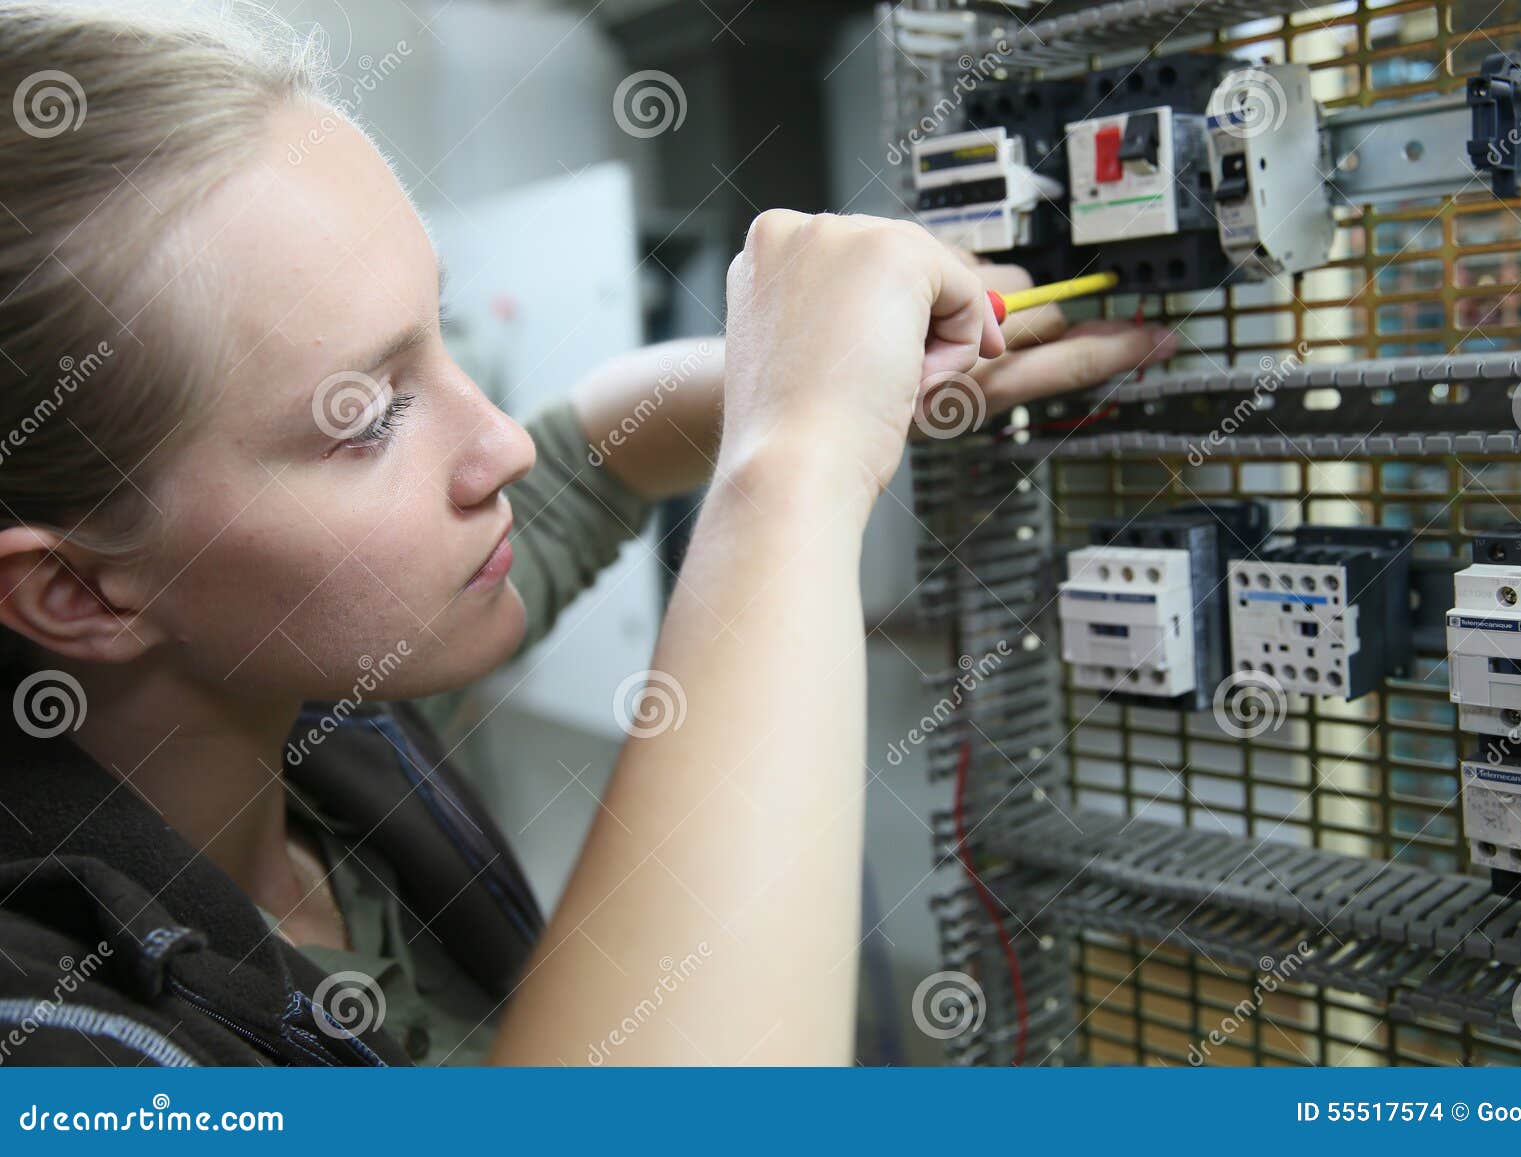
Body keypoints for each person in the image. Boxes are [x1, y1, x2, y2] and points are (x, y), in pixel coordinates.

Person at [0, 1, 1175, 1066]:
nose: (497, 443)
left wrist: (809, 382)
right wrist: (796, 466)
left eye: (437, 331)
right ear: (76, 593)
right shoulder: (57, 1041)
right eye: (366, 417)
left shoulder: (304, 693)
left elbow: (592, 448)